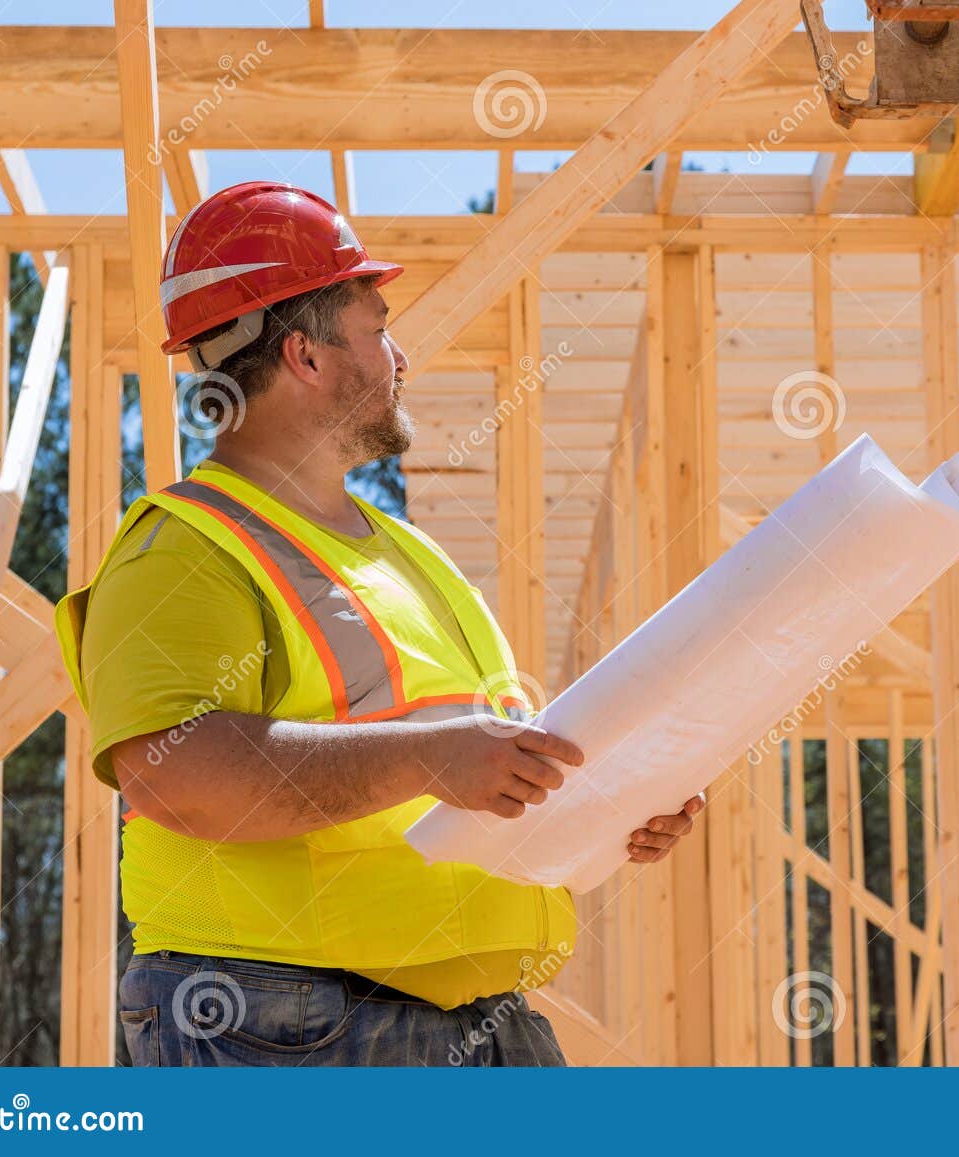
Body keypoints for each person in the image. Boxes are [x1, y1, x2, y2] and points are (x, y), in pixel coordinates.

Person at [55, 181, 703, 1067]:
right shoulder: (183, 549)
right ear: (307, 357)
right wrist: (426, 758)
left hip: (470, 1019)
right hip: (283, 1024)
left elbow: (480, 764)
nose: (400, 356)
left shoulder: (405, 556)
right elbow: (180, 778)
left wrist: (611, 800)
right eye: (378, 327)